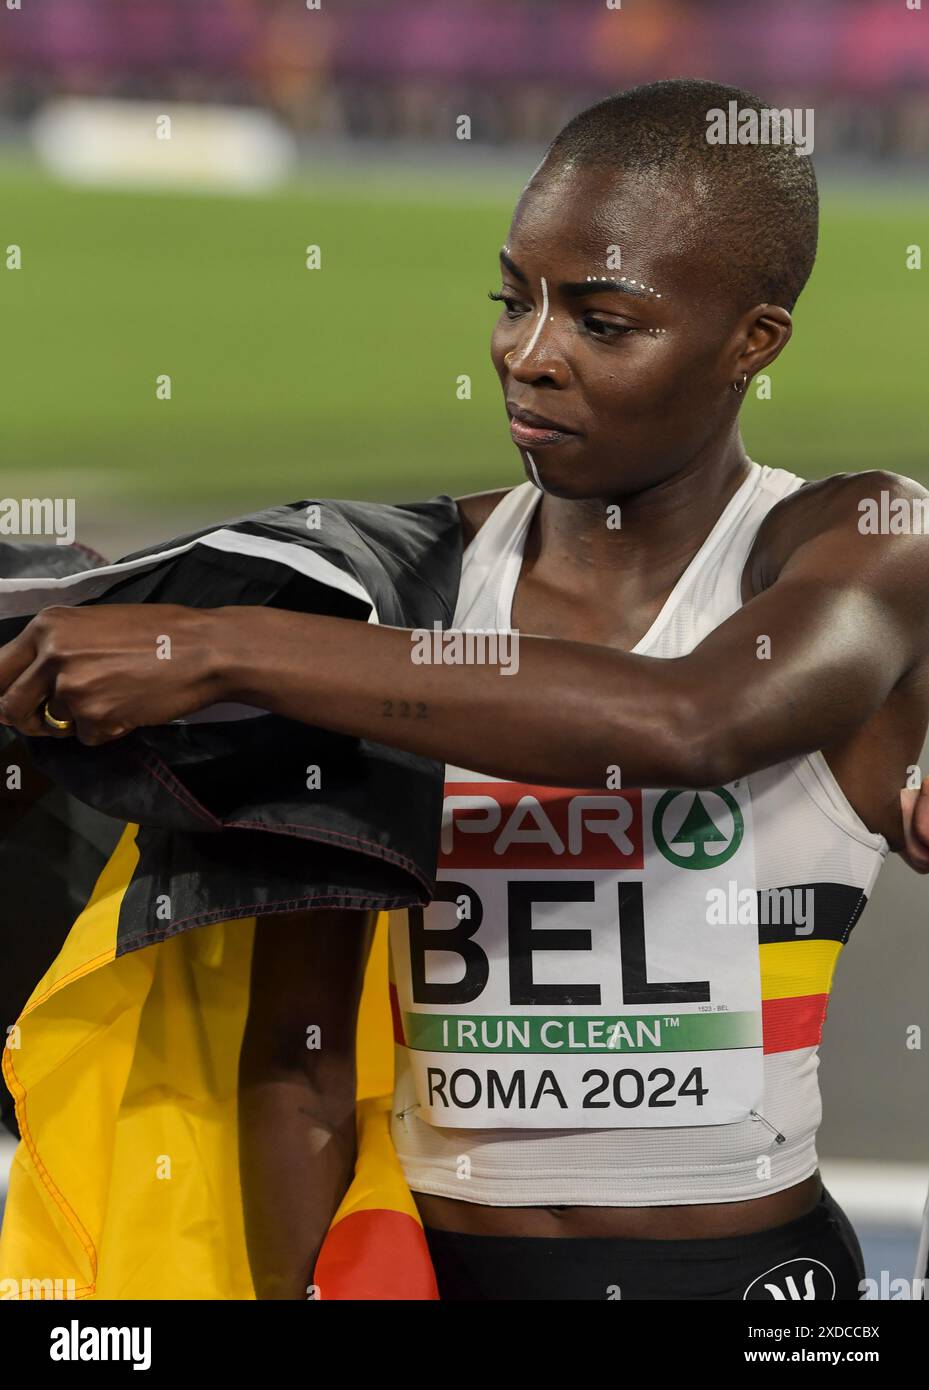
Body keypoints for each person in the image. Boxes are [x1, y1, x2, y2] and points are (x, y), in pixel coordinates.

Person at [2, 78, 929, 1300]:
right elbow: (299, 1054)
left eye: (601, 321)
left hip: (755, 1286)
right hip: (441, 1272)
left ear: (750, 340)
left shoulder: (860, 540)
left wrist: (220, 647)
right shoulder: (379, 595)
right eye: (512, 298)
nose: (526, 354)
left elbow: (692, 719)